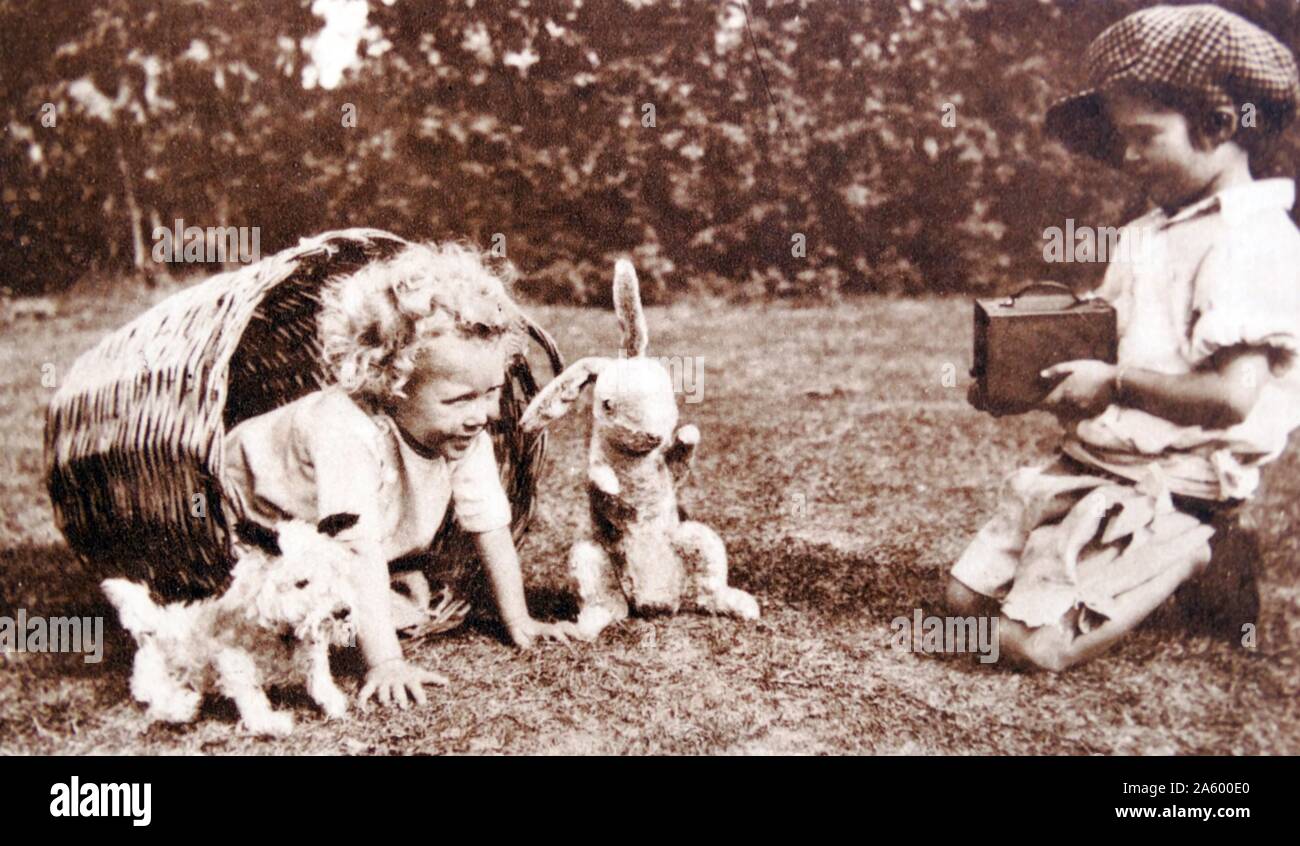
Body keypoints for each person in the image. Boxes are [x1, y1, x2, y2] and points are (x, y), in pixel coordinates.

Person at [951, 4, 1300, 670]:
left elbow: (1230, 399)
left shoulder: (1250, 241)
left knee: (1025, 644)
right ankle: (1100, 550)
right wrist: (1024, 383)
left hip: (1176, 479)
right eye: (1120, 141)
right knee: (962, 603)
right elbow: (1110, 341)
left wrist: (1115, 384)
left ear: (1220, 125)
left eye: (1144, 137)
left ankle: (1198, 547)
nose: (1129, 158)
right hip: (1102, 458)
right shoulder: (1147, 232)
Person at [222, 241, 579, 707]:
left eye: (491, 392)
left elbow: (490, 521)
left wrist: (520, 621)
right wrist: (386, 662)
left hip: (329, 518)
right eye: (460, 399)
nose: (485, 412)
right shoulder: (343, 428)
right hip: (250, 505)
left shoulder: (463, 428)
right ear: (392, 385)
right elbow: (356, 548)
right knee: (280, 599)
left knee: (382, 592)